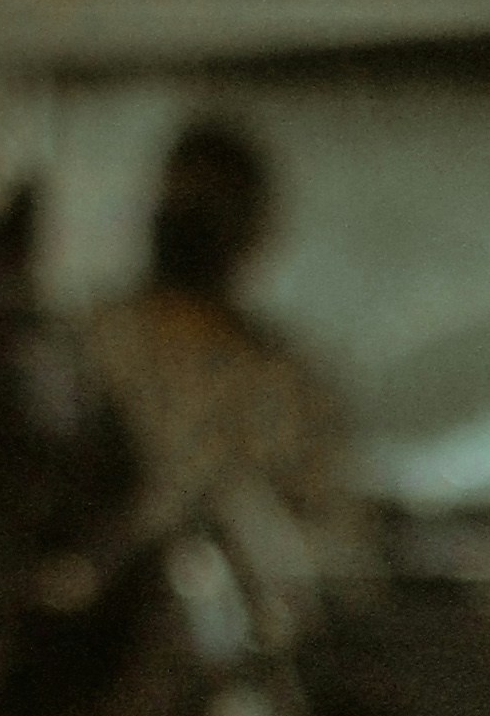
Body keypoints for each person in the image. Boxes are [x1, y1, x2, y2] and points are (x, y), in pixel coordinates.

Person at [77, 119, 358, 644]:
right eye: (182, 196)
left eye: (211, 201)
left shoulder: (283, 383)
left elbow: (331, 542)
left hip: (225, 646)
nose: (190, 215)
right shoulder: (83, 348)